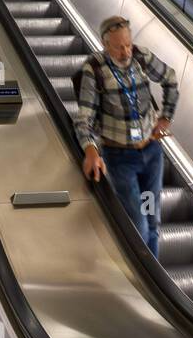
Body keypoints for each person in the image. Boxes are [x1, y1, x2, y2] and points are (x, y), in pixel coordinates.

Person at [74, 15, 179, 258]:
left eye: (128, 44)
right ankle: (142, 279)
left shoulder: (141, 57)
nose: (125, 51)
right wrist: (90, 149)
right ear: (105, 44)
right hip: (121, 159)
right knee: (138, 225)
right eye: (118, 46)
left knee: (153, 219)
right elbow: (84, 117)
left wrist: (166, 117)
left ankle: (155, 278)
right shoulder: (95, 69)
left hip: (151, 155)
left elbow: (170, 79)